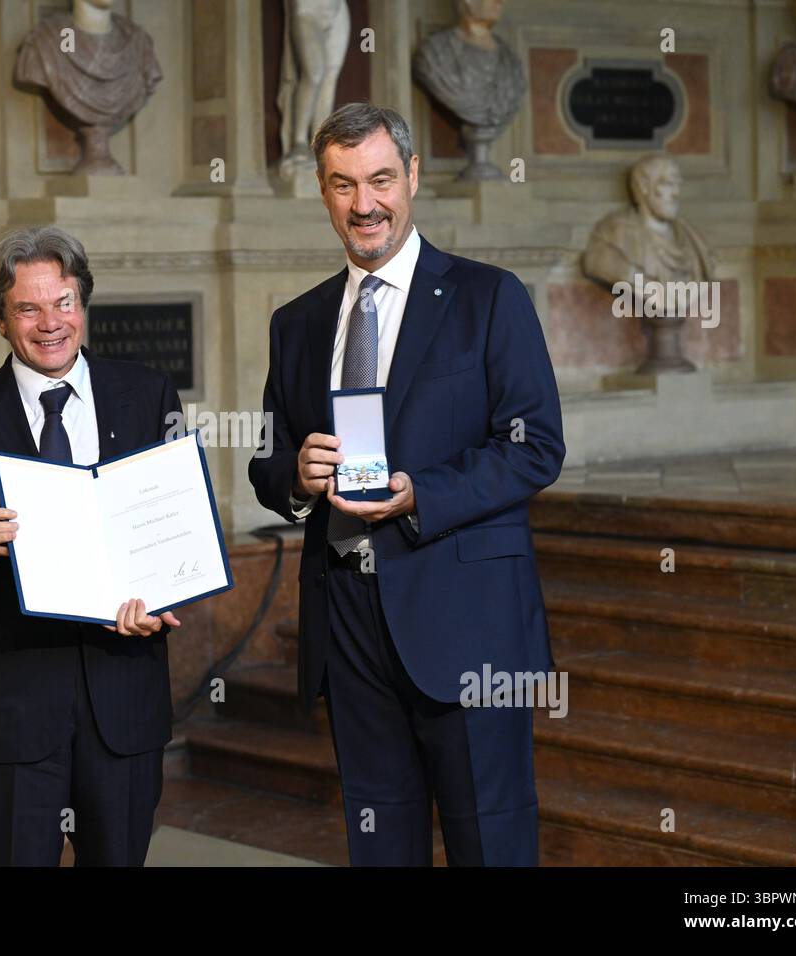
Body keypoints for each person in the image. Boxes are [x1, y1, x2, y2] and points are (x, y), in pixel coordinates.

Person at [248, 103, 565, 866]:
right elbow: (266, 458)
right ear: (322, 192)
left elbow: (536, 449)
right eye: (344, 184)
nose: (366, 204)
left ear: (413, 177)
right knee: (380, 845)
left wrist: (421, 492)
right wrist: (294, 473)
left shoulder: (489, 298)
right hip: (350, 624)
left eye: (382, 179)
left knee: (488, 842)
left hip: (468, 624)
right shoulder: (297, 323)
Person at [0, 225, 182, 866]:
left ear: (82, 304)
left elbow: (171, 525)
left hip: (123, 697)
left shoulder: (147, 396)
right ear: (0, 320)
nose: (50, 323)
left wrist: (167, 592)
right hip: (13, 708)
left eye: (63, 302)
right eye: (27, 308)